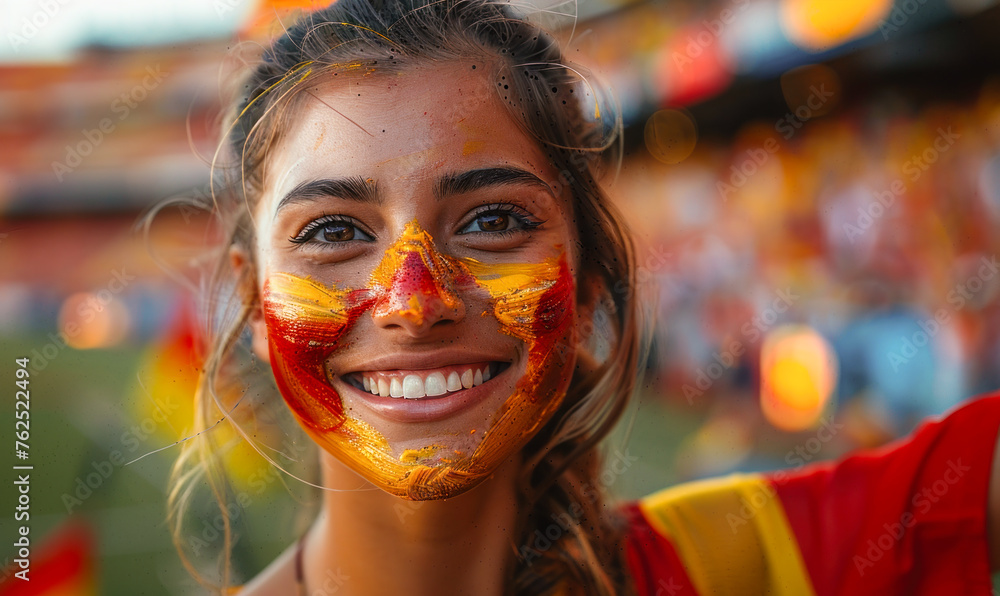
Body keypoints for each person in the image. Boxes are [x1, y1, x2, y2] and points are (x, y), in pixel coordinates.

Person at [164, 0, 1000, 594]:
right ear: (253, 296)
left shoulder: (753, 563)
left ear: (591, 276)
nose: (413, 302)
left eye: (491, 219)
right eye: (334, 232)